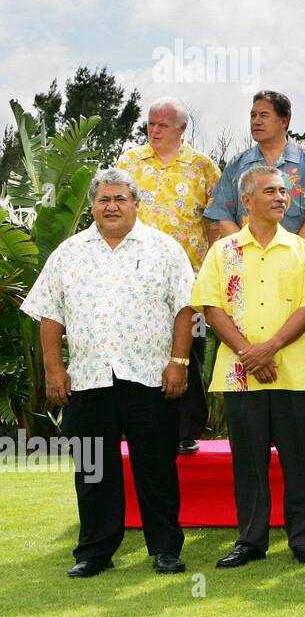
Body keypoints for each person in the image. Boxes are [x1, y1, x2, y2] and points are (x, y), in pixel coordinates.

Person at [22, 168, 195, 577]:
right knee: (94, 466)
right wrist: (53, 370)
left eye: (120, 199)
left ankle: (165, 549)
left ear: (136, 204)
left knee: (155, 467)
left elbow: (185, 309)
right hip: (88, 378)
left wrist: (179, 362)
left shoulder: (164, 249)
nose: (112, 206)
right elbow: (50, 313)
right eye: (104, 199)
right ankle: (95, 552)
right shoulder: (69, 252)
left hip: (150, 376)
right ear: (93, 206)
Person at [194, 165, 305, 567]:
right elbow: (210, 305)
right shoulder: (223, 251)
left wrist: (267, 348)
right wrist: (248, 352)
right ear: (247, 201)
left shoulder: (302, 250)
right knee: (248, 462)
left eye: (284, 191)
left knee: (300, 459)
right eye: (270, 190)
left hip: (293, 372)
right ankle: (251, 542)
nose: (281, 198)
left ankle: (304, 540)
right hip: (239, 373)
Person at [205, 90, 305, 451]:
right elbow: (221, 215)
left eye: (264, 114)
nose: (256, 121)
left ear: (285, 121)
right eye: (252, 114)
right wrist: (245, 248)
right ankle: (253, 437)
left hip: (296, 267)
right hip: (245, 269)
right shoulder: (238, 164)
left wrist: (287, 247)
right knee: (244, 337)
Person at [117, 96, 221, 455]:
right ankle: (140, 427)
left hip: (189, 280)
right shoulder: (129, 162)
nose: (154, 130)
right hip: (137, 277)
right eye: (150, 123)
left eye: (163, 124)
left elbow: (215, 223)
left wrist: (211, 269)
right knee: (141, 349)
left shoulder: (203, 167)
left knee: (189, 351)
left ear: (182, 128)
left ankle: (186, 429)